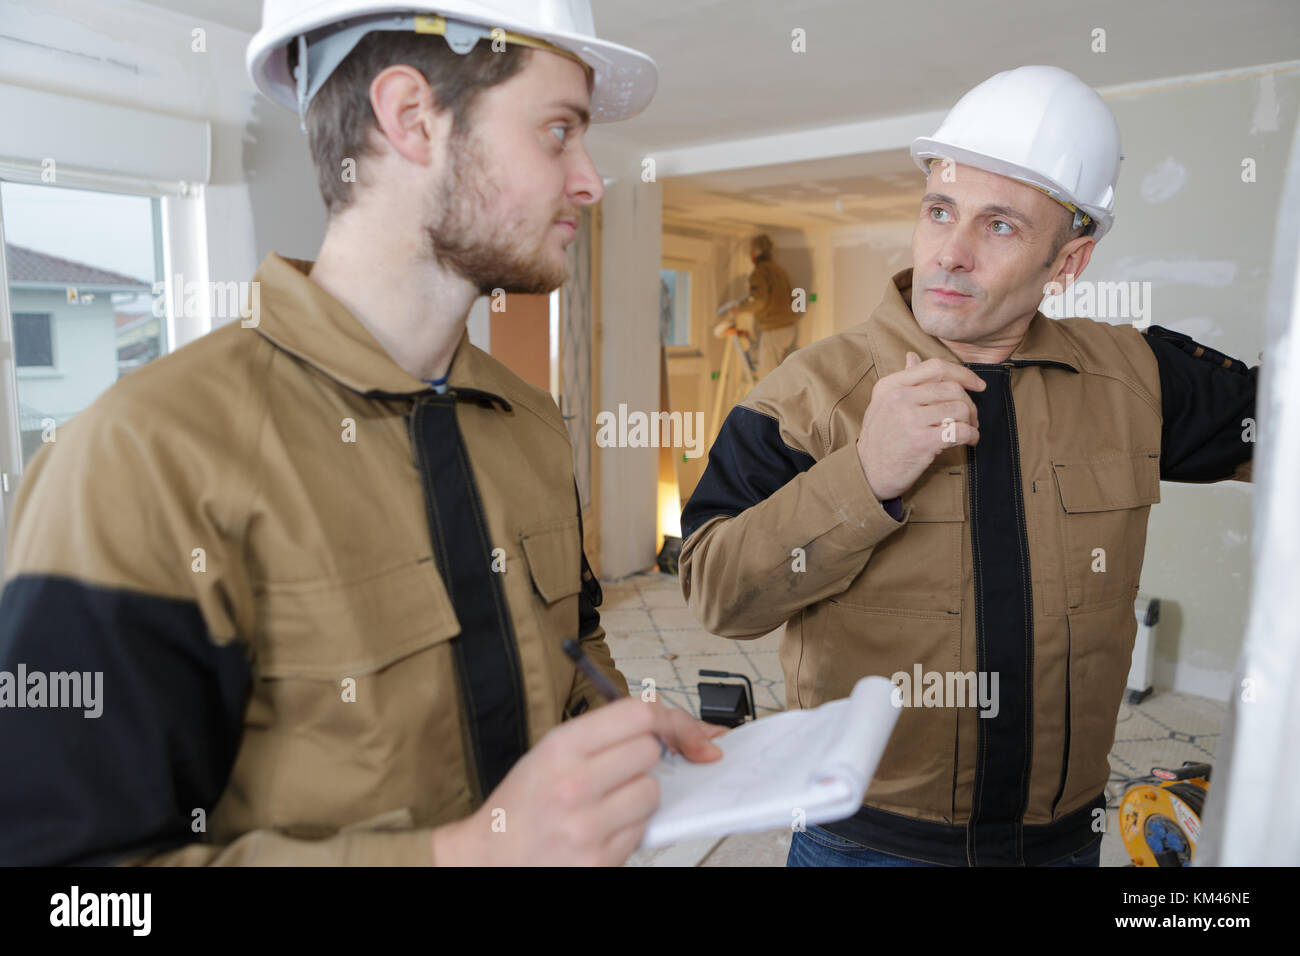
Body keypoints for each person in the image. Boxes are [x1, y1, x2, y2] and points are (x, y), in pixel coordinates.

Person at [0, 0, 724, 867]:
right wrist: (461, 856)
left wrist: (619, 735)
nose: (590, 181)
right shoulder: (140, 460)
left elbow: (572, 657)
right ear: (412, 118)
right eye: (559, 131)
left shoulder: (528, 424)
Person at [679, 65, 1257, 867]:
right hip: (867, 839)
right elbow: (715, 592)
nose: (949, 254)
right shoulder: (807, 394)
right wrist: (863, 476)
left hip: (1063, 838)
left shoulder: (1138, 378)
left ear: (1069, 262)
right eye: (939, 211)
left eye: (1001, 226)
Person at [726, 234, 801, 377]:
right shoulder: (780, 271)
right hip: (789, 328)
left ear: (754, 254)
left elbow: (758, 300)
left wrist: (738, 309)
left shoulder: (760, 272)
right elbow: (793, 296)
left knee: (768, 374)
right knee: (776, 370)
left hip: (775, 328)